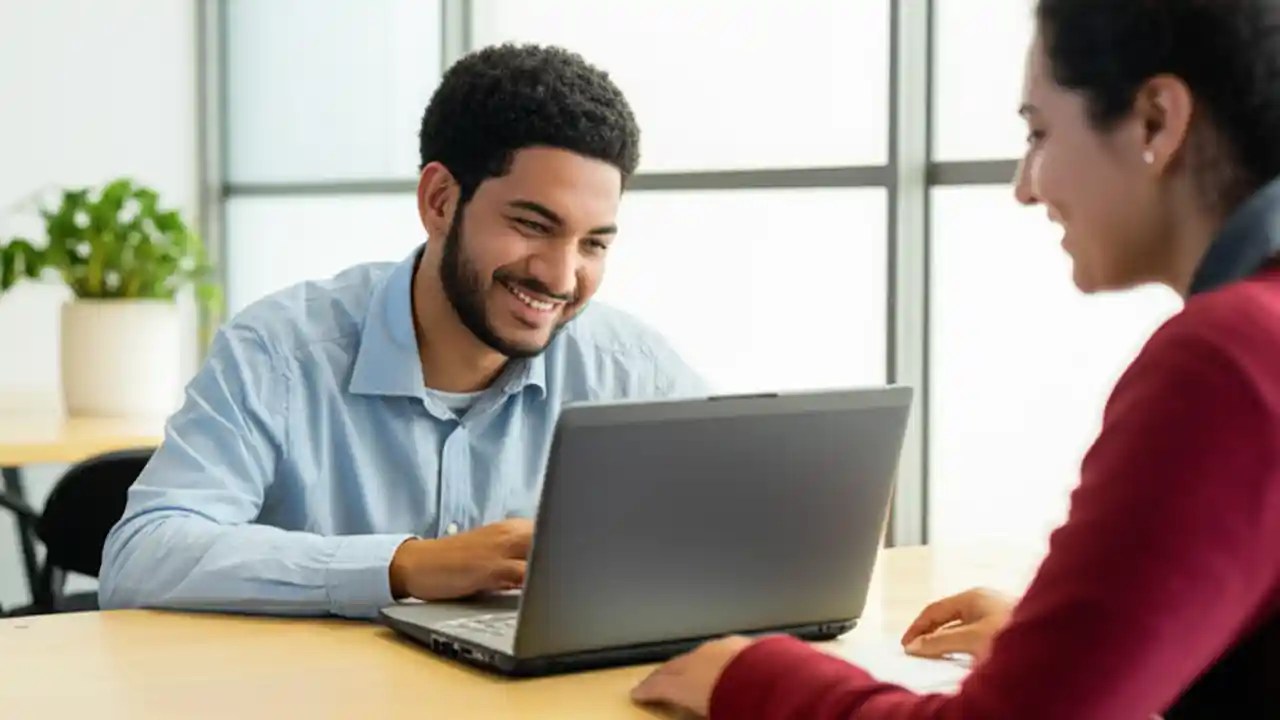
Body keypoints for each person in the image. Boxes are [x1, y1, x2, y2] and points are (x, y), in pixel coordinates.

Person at [631, 0, 1280, 717]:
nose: (1025, 186)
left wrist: (752, 673)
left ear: (1156, 121)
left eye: (1039, 133)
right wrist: (1068, 645)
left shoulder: (1230, 357)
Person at [98, 44, 706, 619]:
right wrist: (402, 565)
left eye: (593, 243)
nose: (561, 274)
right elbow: (141, 558)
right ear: (440, 201)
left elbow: (738, 536)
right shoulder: (280, 353)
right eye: (531, 225)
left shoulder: (635, 370)